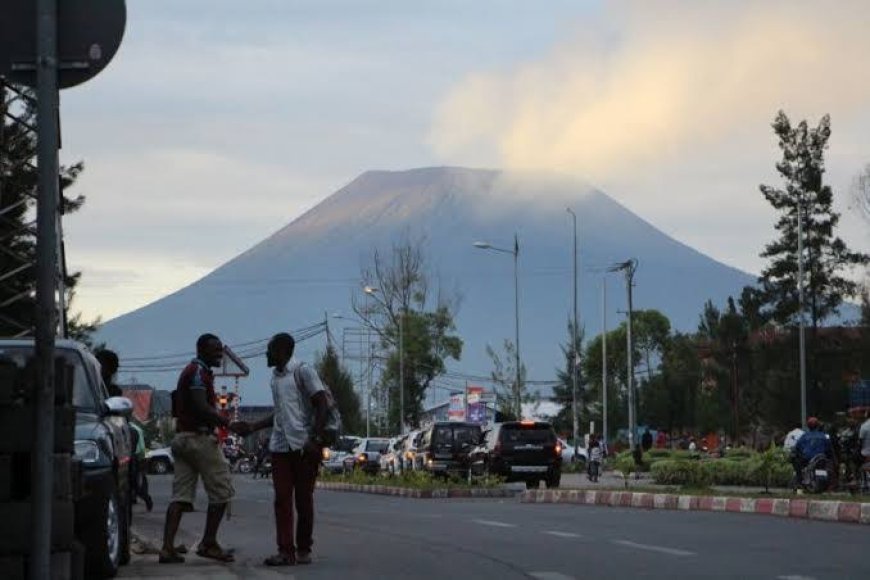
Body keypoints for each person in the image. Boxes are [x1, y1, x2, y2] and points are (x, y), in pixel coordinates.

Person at [237, 332, 329, 567]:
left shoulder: (302, 371)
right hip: (280, 446)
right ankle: (285, 551)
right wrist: (253, 427)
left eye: (270, 350)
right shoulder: (275, 379)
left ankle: (304, 548)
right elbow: (280, 414)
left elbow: (322, 402)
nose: (266, 354)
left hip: (304, 446)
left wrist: (315, 438)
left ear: (282, 351)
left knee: (304, 500)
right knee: (281, 499)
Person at [159, 333, 245, 565]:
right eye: (215, 350)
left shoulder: (194, 371)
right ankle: (208, 543)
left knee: (180, 495)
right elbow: (201, 406)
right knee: (222, 490)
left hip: (182, 439)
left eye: (220, 350)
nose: (220, 354)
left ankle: (167, 548)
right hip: (198, 439)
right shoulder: (198, 373)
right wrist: (227, 422)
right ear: (201, 350)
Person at [794, 417, 834, 485]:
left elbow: (797, 447)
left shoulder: (805, 436)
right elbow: (829, 447)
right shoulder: (824, 436)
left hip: (807, 459)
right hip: (821, 459)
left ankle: (799, 480)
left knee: (796, 462)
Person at [129, 421, 154, 512]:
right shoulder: (137, 429)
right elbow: (143, 447)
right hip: (138, 457)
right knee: (138, 480)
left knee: (135, 481)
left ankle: (144, 497)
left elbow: (142, 448)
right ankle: (138, 497)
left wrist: (144, 458)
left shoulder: (134, 430)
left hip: (135, 457)